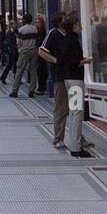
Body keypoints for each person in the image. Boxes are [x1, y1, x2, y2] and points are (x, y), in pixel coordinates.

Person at [60, 16, 94, 158]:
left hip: (69, 79)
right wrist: (85, 61)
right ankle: (75, 146)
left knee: (74, 112)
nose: (81, 26)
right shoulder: (73, 41)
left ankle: (75, 144)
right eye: (79, 24)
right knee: (76, 112)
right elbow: (74, 62)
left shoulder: (66, 39)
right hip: (75, 79)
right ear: (74, 25)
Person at [38, 13, 71, 148]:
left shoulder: (70, 34)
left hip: (74, 77)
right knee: (61, 108)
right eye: (64, 19)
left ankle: (78, 137)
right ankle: (58, 138)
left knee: (76, 108)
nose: (67, 21)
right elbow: (41, 51)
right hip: (60, 76)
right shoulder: (53, 33)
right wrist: (55, 61)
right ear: (58, 22)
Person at [10, 14, 39, 97]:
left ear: (25, 20)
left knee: (20, 71)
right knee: (33, 71)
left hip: (24, 51)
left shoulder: (21, 30)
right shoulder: (35, 29)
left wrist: (20, 48)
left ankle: (15, 91)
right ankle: (31, 91)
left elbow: (18, 42)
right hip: (33, 51)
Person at [0, 18, 18, 86]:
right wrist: (13, 47)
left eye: (15, 23)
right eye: (14, 24)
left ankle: (15, 77)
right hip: (12, 51)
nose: (15, 25)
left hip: (16, 50)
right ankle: (3, 77)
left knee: (16, 64)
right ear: (11, 25)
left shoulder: (16, 31)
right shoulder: (9, 32)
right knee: (10, 64)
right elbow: (9, 42)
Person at [35, 14, 49, 96]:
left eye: (38, 22)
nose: (37, 24)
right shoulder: (39, 32)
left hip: (42, 54)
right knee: (40, 70)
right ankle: (41, 87)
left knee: (41, 70)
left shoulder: (42, 32)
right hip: (40, 54)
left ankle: (42, 88)